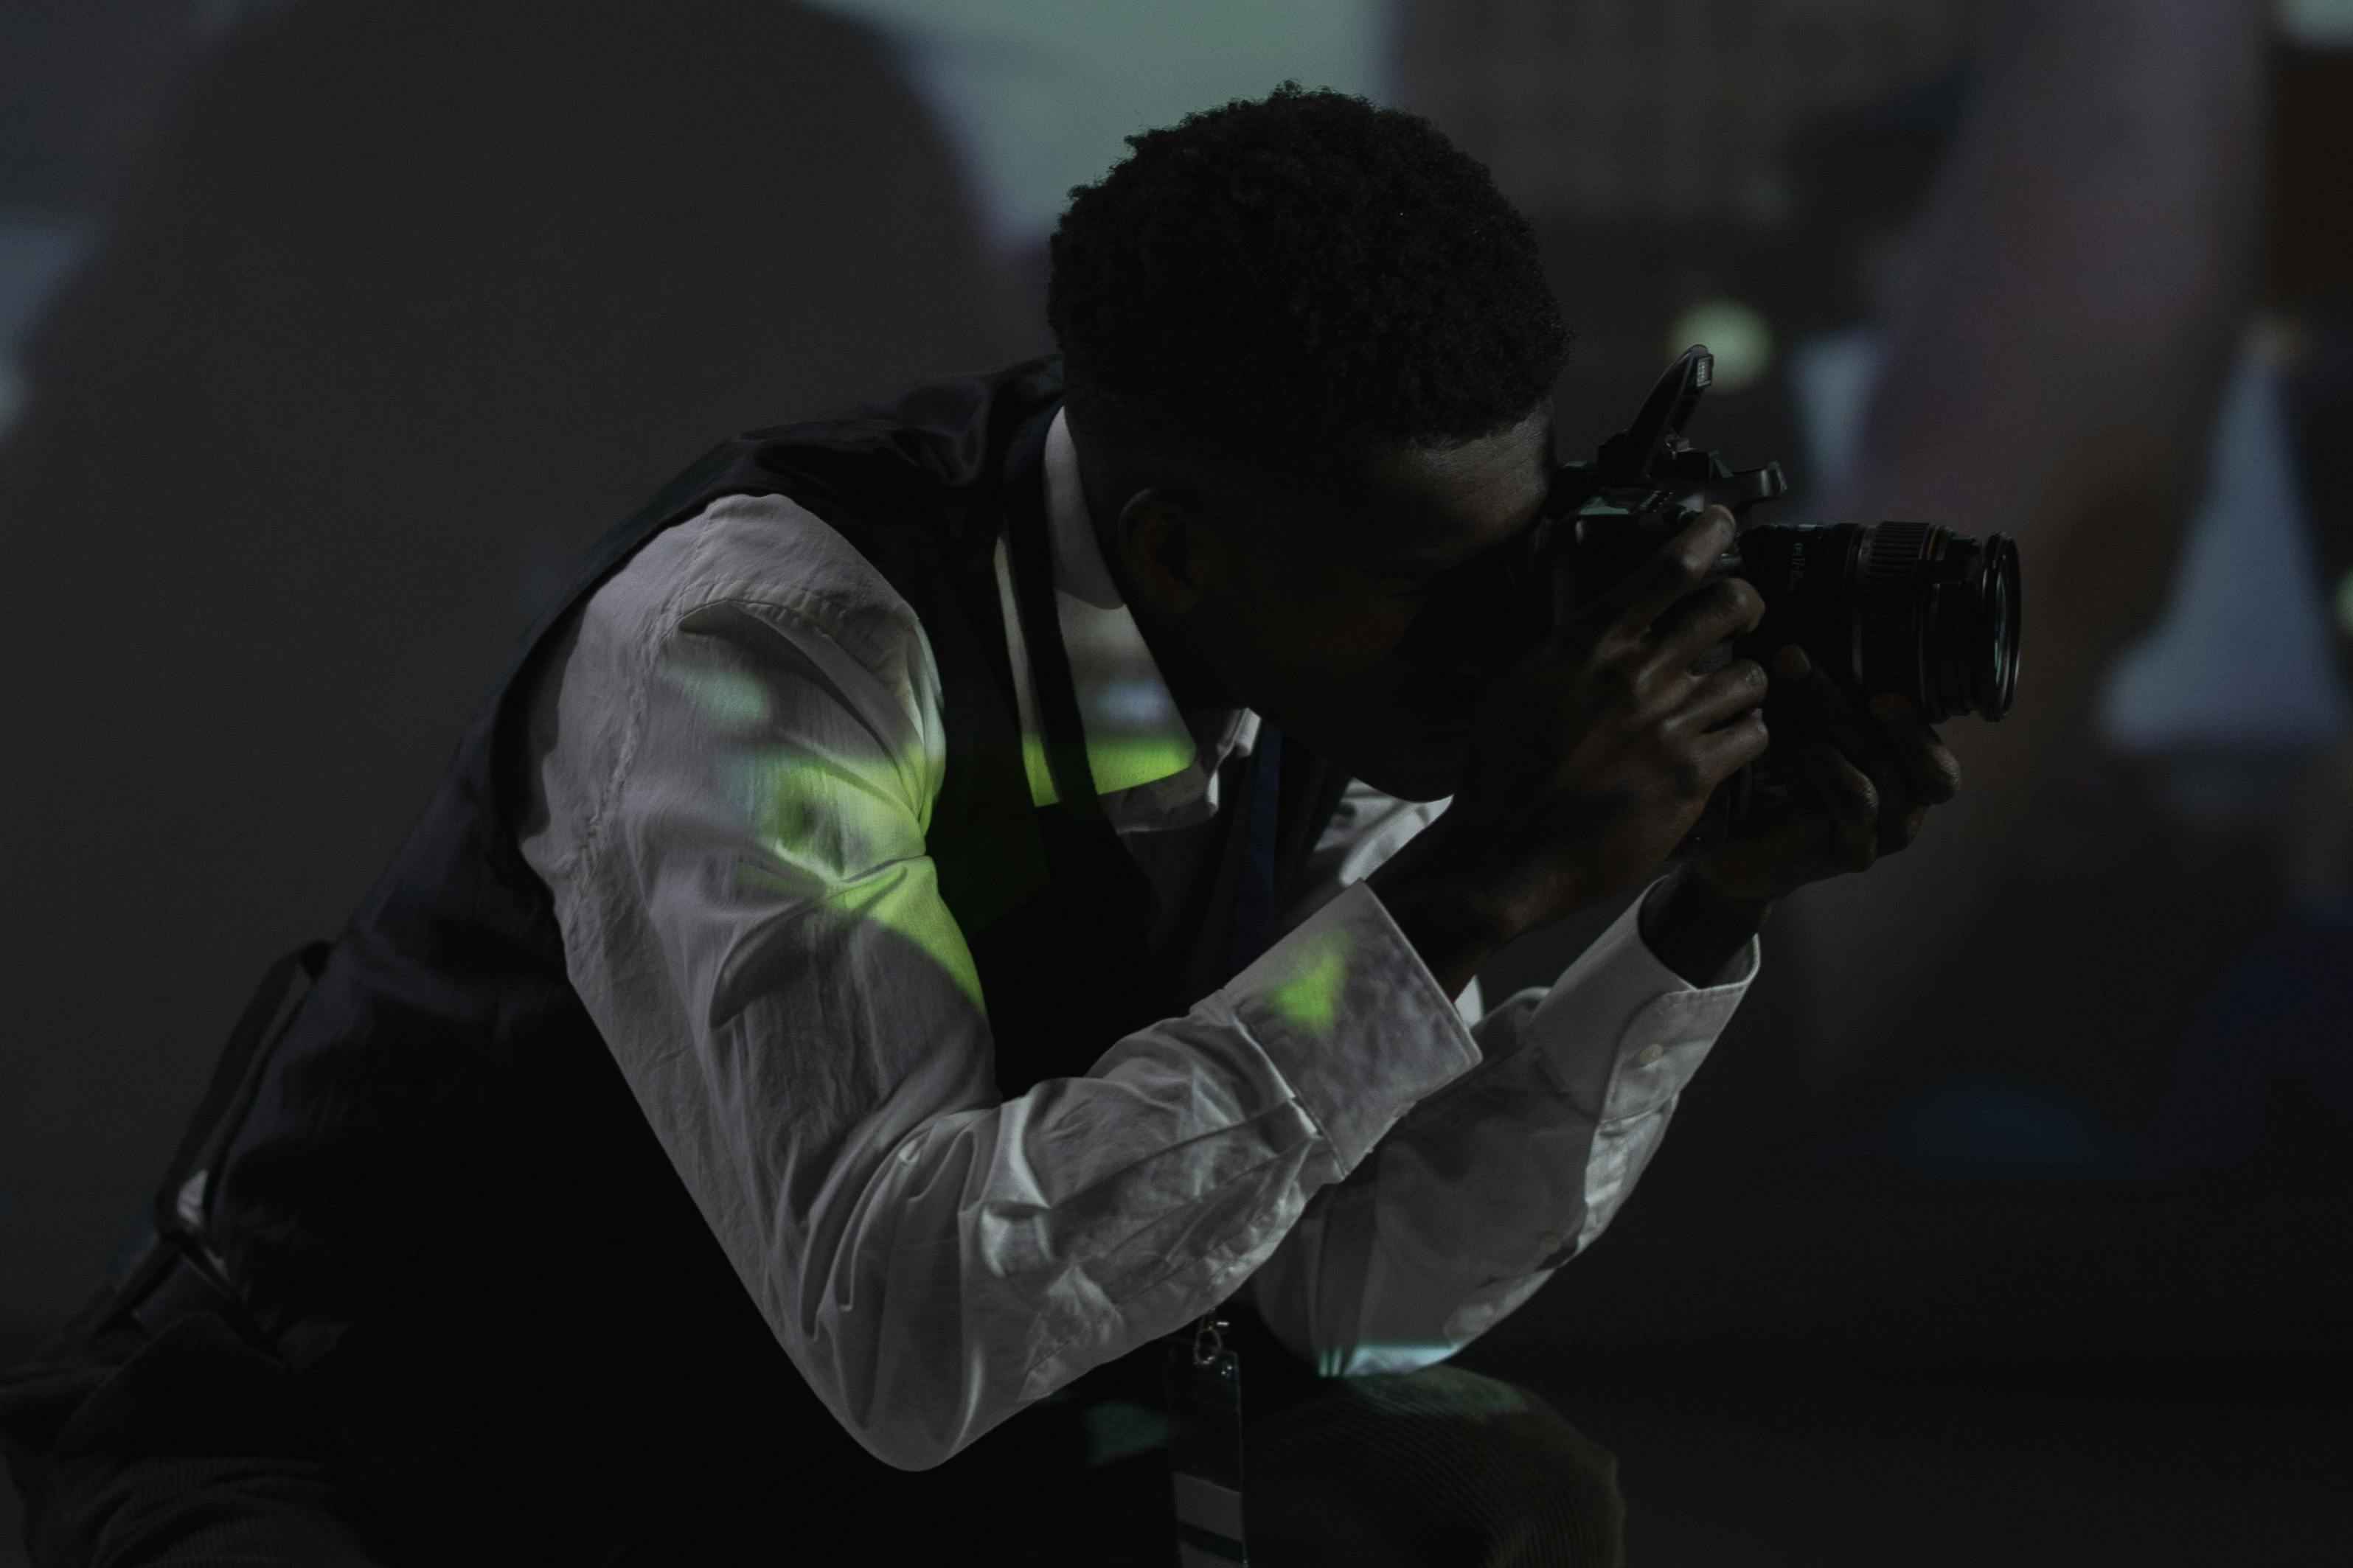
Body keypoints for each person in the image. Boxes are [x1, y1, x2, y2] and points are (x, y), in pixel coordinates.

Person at [1, 87, 1957, 1567]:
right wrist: (1472, 887)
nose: (1492, 638)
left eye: (1510, 558)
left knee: (1473, 1492)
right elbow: (908, 1321)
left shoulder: (1338, 636)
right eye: (1420, 585)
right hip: (386, 1445)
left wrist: (1695, 916)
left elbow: (1334, 1292)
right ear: (1179, 552)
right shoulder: (767, 643)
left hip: (789, 1445)